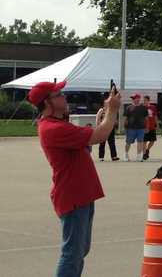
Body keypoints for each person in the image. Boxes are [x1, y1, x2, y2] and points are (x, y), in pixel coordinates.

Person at [32, 81, 121, 277]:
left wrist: (106, 111)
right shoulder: (53, 128)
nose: (64, 96)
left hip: (81, 194)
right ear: (47, 102)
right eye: (58, 95)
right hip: (72, 196)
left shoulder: (59, 124)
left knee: (80, 250)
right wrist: (113, 110)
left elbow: (92, 137)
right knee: (72, 254)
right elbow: (100, 135)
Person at [123, 93, 149, 161]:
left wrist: (147, 127)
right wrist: (125, 128)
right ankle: (126, 155)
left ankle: (139, 156)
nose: (133, 99)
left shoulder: (143, 108)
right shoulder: (128, 107)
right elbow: (125, 119)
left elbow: (146, 118)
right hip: (130, 128)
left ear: (138, 99)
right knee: (128, 142)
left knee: (140, 142)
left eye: (135, 98)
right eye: (133, 98)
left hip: (141, 128)